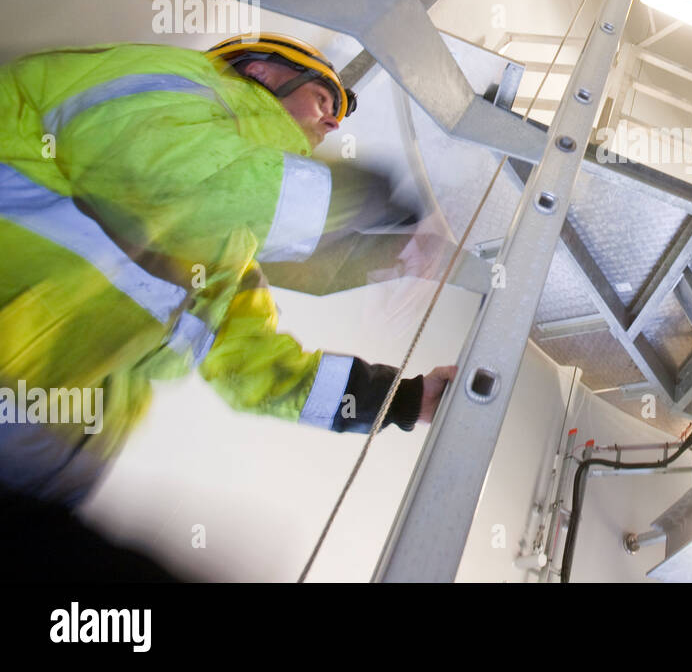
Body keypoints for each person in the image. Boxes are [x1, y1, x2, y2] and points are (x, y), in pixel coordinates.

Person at [0, 33, 456, 514]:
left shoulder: (226, 256)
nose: (332, 121)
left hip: (42, 467)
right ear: (259, 71)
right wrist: (375, 201)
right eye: (323, 98)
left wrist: (403, 400)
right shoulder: (173, 81)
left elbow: (256, 369)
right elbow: (163, 176)